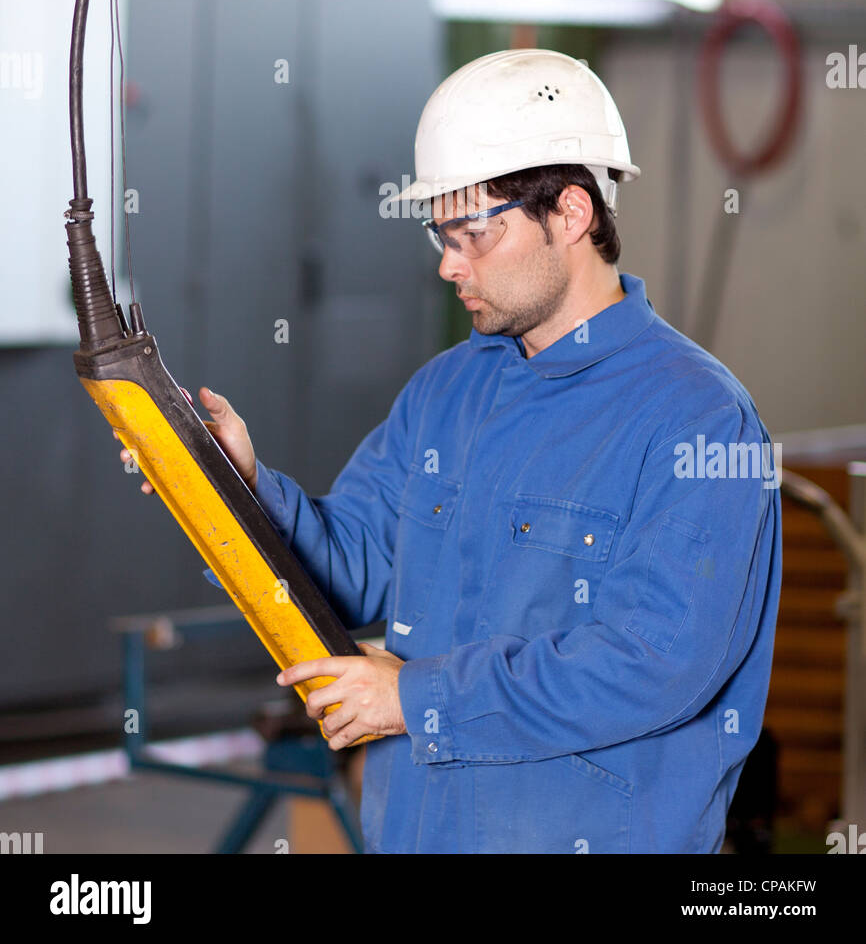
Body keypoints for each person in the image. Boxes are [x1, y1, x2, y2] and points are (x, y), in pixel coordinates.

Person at [116, 49, 782, 855]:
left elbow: (653, 664)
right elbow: (351, 563)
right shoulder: (445, 393)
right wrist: (238, 485)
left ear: (570, 214)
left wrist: (419, 699)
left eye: (473, 234)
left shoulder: (697, 419)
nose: (446, 264)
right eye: (441, 233)